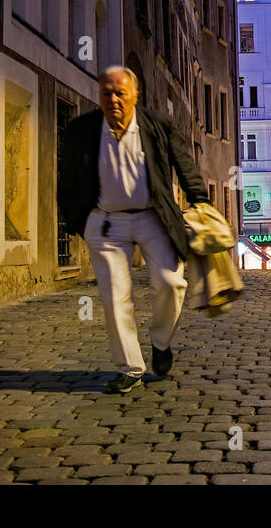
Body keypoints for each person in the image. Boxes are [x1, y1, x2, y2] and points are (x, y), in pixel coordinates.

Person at [57, 66, 210, 394]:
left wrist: (200, 201)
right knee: (114, 296)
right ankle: (129, 367)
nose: (112, 99)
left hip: (153, 217)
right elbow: (67, 180)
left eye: (119, 93)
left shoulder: (156, 124)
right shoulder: (81, 130)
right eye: (106, 93)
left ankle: (161, 342)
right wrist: (80, 223)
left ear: (134, 95)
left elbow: (184, 164)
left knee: (171, 282)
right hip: (106, 221)